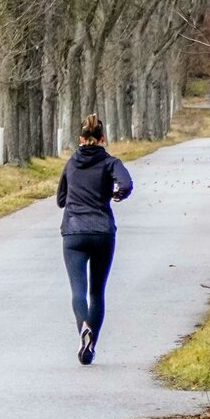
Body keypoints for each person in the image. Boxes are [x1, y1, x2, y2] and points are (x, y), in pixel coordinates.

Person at [57, 114, 133, 364]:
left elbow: (61, 199)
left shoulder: (71, 164)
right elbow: (126, 184)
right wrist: (116, 195)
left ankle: (83, 328)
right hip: (102, 232)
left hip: (74, 233)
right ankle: (89, 349)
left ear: (80, 139)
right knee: (97, 292)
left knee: (78, 291)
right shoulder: (111, 163)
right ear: (102, 139)